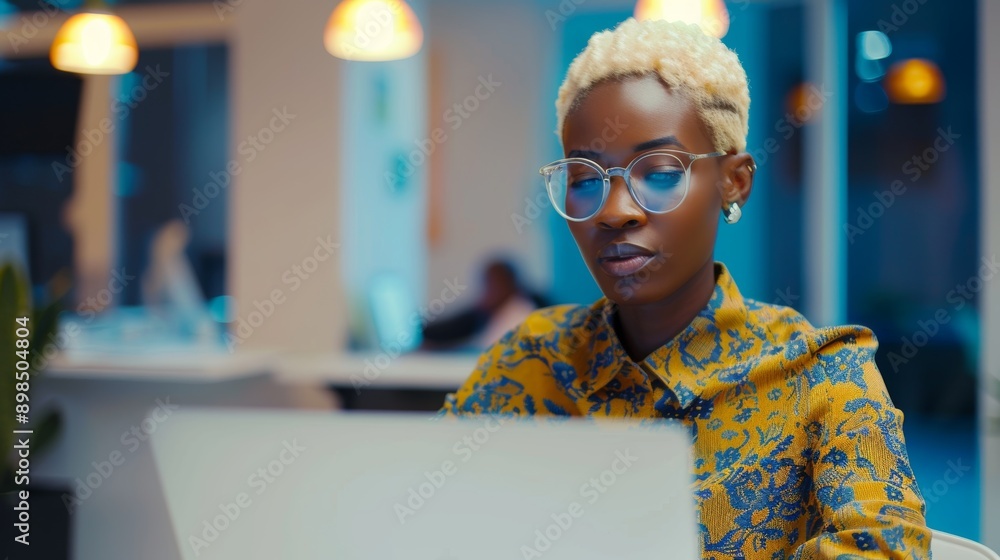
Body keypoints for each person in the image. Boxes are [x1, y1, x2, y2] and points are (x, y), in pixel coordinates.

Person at [440, 18, 930, 559]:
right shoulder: (529, 360)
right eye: (585, 179)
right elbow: (419, 507)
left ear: (734, 181)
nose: (614, 211)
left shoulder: (821, 376)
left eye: (660, 172)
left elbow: (889, 550)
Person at [422, 258, 545, 350]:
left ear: (509, 283)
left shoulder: (519, 311)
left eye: (493, 284)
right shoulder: (490, 311)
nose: (488, 290)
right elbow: (449, 328)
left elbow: (488, 350)